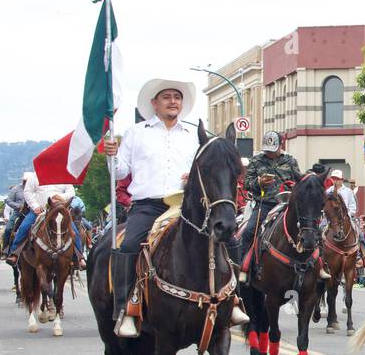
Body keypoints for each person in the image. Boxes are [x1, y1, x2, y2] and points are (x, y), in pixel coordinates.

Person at [102, 78, 247, 337]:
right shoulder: (137, 132)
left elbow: (207, 169)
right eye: (166, 97)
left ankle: (233, 299)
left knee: (230, 241)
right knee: (129, 244)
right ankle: (126, 308)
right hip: (147, 206)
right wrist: (110, 155)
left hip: (184, 205)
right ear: (154, 103)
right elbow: (120, 171)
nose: (172, 101)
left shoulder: (194, 135)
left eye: (177, 97)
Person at [238, 129, 302, 281]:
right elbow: (246, 183)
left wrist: (295, 187)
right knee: (249, 232)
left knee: (310, 229)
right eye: (268, 151)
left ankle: (318, 266)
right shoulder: (256, 160)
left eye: (273, 150)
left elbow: (299, 180)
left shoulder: (291, 160)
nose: (270, 154)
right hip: (264, 204)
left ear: (281, 145)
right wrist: (259, 182)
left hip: (287, 205)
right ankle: (242, 268)